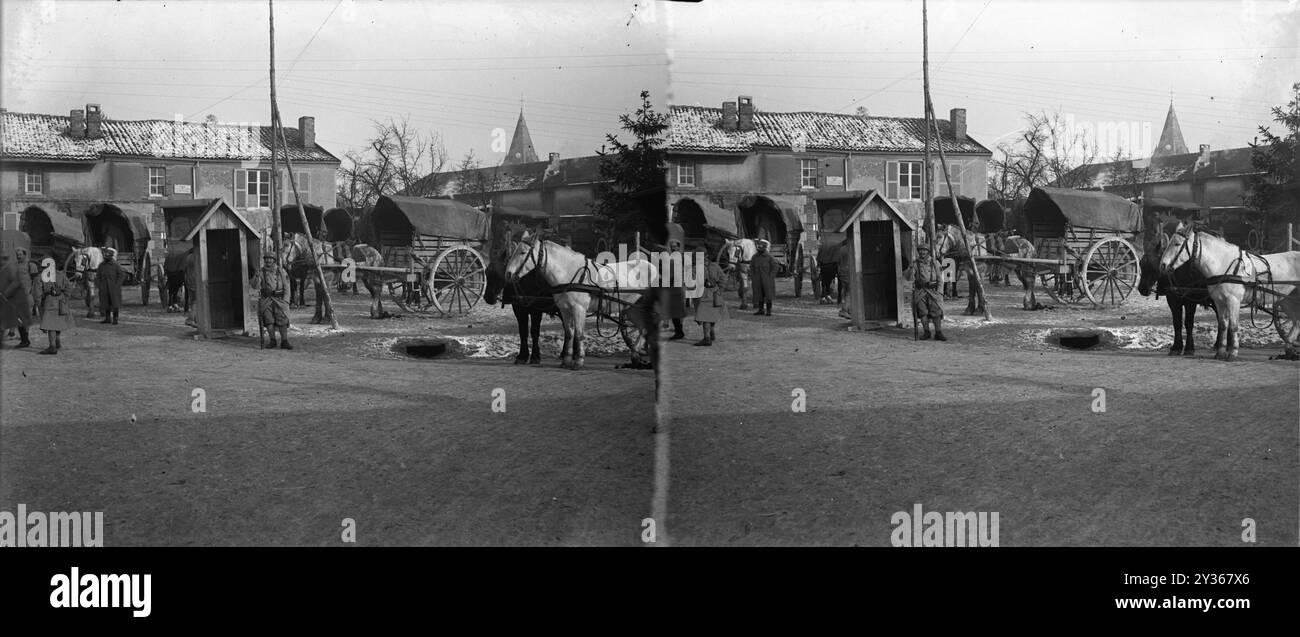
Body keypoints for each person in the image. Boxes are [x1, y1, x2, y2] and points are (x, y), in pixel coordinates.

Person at [251, 253, 292, 349]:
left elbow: (287, 286)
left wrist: (286, 301)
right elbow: (255, 286)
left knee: (282, 320)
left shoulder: (281, 271)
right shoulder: (261, 272)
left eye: (270, 259)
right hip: (266, 300)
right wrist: (256, 277)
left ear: (274, 260)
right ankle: (272, 340)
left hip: (280, 300)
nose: (268, 261)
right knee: (269, 321)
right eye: (267, 259)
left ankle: (284, 341)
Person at [36, 265, 74, 354]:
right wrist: (65, 298)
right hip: (60, 301)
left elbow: (37, 293)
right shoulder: (61, 275)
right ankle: (57, 342)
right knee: (57, 322)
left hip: (48, 302)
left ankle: (52, 346)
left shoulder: (40, 276)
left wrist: (39, 303)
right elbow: (69, 287)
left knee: (50, 324)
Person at [912, 243, 946, 341]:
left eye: (924, 250)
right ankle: (926, 332)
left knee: (936, 312)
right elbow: (909, 278)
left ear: (928, 252)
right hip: (920, 292)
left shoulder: (935, 263)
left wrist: (940, 292)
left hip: (933, 291)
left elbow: (940, 279)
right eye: (920, 250)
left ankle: (938, 333)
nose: (922, 252)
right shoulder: (915, 264)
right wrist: (910, 269)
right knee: (923, 313)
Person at [0, 250, 33, 348]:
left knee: (22, 318)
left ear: (25, 255)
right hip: (13, 295)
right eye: (17, 255)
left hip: (24, 295)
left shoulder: (30, 265)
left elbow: (34, 279)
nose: (18, 256)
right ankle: (18, 336)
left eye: (20, 255)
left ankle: (25, 339)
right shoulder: (13, 266)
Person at [693, 255, 728, 346]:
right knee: (711, 315)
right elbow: (723, 278)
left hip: (704, 294)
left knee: (705, 317)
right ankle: (711, 333)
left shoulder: (696, 268)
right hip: (715, 293)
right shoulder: (715, 266)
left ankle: (707, 338)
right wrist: (720, 290)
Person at [663, 239, 687, 340]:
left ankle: (679, 332)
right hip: (672, 286)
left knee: (676, 310)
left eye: (675, 246)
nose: (673, 248)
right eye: (672, 246)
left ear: (678, 247)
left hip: (677, 287)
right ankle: (679, 331)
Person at [96, 247, 126, 325]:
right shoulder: (101, 265)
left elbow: (121, 275)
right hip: (104, 287)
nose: (106, 257)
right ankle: (107, 318)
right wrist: (99, 285)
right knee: (106, 303)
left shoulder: (116, 265)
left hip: (114, 287)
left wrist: (117, 285)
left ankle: (115, 319)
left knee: (115, 303)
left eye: (107, 255)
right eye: (105, 255)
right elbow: (98, 276)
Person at [750, 238, 777, 316]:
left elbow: (775, 266)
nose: (759, 248)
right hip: (757, 279)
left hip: (767, 279)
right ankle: (761, 309)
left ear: (764, 248)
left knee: (768, 295)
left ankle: (769, 310)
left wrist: (771, 276)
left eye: (761, 246)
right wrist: (753, 276)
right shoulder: (754, 257)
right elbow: (751, 267)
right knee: (759, 294)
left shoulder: (769, 257)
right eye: (758, 246)